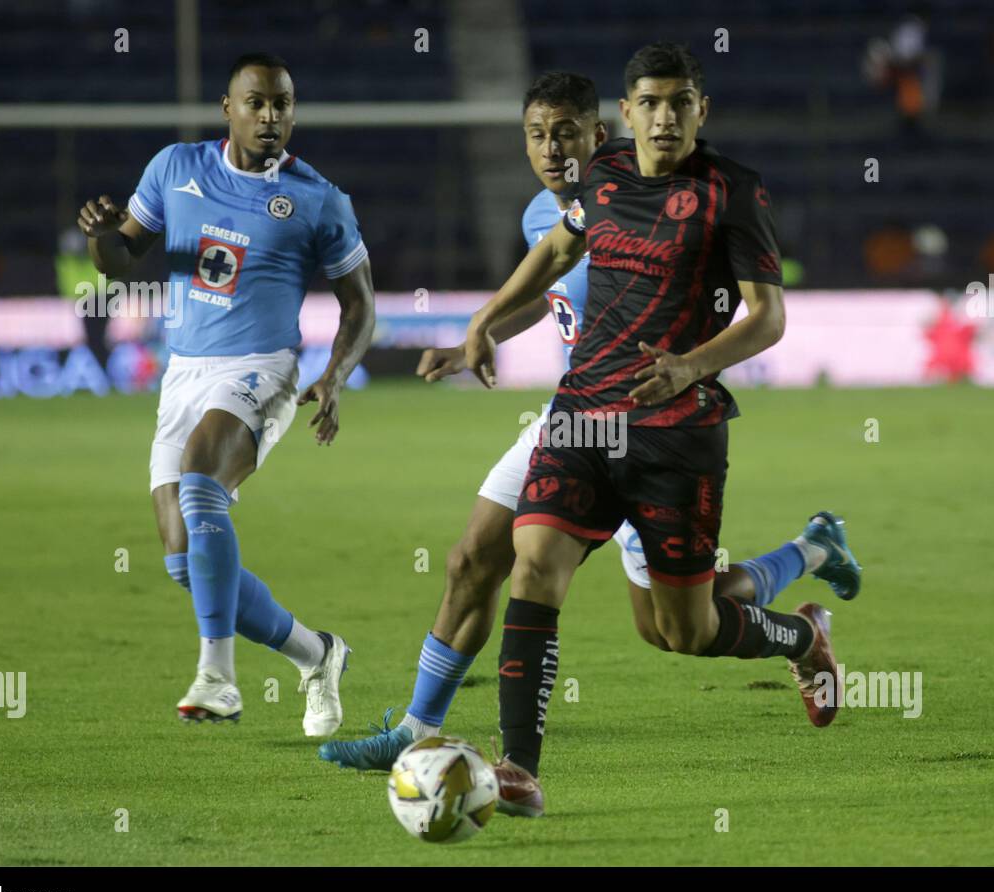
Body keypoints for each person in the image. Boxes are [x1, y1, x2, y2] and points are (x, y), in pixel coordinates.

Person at [319, 69, 860, 816]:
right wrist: (474, 332)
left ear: (602, 131)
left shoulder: (697, 196)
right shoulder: (561, 210)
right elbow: (546, 296)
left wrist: (689, 368)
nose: (551, 147)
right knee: (485, 556)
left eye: (566, 132)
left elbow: (759, 312)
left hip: (666, 422)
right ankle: (440, 736)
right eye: (538, 134)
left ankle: (807, 575)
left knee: (679, 627)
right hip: (576, 418)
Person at [75, 52, 376, 734]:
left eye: (283, 105)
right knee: (186, 560)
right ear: (228, 109)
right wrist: (99, 239)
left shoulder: (317, 197)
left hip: (262, 368)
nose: (271, 117)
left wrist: (333, 375)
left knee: (199, 482)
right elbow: (122, 259)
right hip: (184, 370)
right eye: (257, 103)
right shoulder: (174, 169)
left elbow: (360, 306)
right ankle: (318, 652)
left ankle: (218, 674)